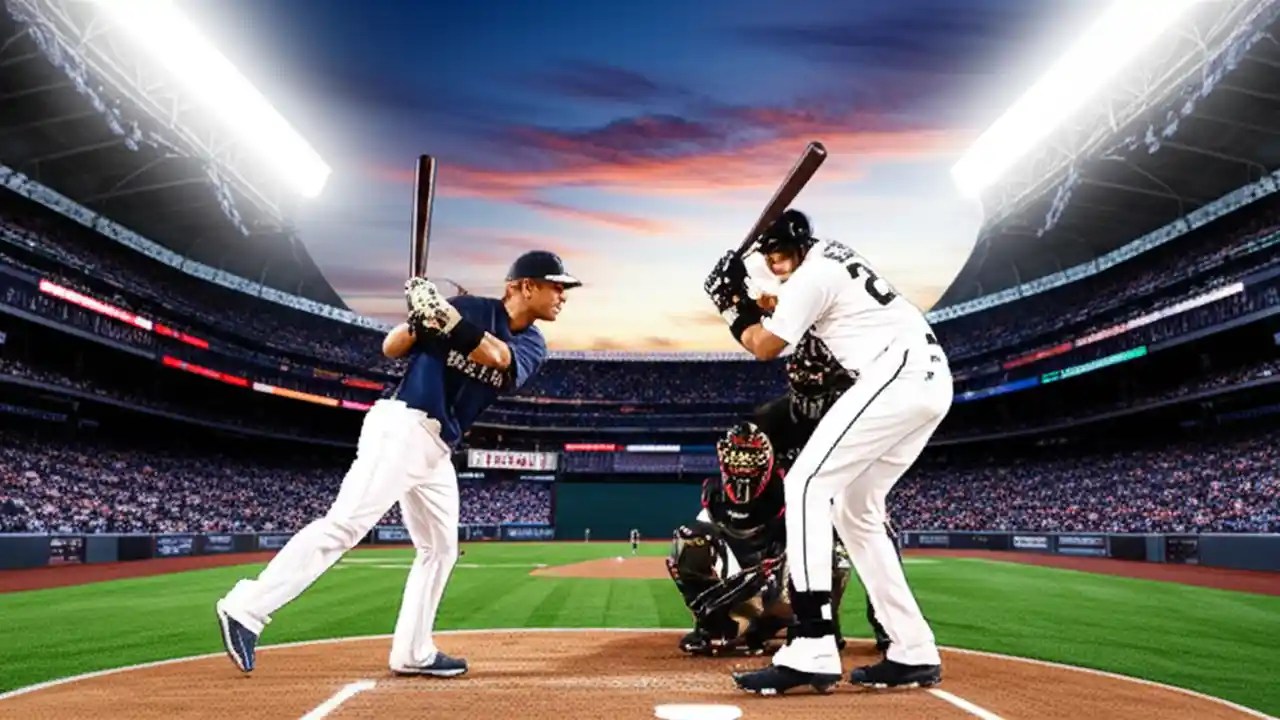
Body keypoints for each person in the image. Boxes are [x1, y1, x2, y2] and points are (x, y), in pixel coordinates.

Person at [215, 250, 579, 678]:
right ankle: (246, 607)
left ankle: (413, 651)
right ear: (524, 285)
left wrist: (447, 321)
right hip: (403, 423)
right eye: (557, 286)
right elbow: (391, 348)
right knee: (346, 523)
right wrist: (417, 321)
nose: (563, 296)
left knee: (440, 550)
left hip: (437, 446)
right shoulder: (469, 308)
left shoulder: (532, 342)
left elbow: (499, 359)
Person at [704, 209, 952, 695]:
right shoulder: (828, 263)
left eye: (779, 254)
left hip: (897, 374)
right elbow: (783, 304)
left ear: (798, 247)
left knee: (805, 485)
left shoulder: (814, 274)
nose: (776, 263)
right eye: (769, 257)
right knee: (856, 510)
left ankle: (812, 643)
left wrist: (732, 307)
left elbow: (764, 346)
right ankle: (912, 647)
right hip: (928, 379)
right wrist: (749, 298)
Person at [667, 422, 852, 657]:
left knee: (834, 551)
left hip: (780, 576)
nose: (743, 464)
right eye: (739, 456)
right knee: (689, 541)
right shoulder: (714, 493)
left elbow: (813, 533)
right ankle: (718, 623)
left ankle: (819, 626)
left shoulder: (789, 487)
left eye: (749, 457)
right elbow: (703, 535)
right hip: (741, 583)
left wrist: (777, 566)